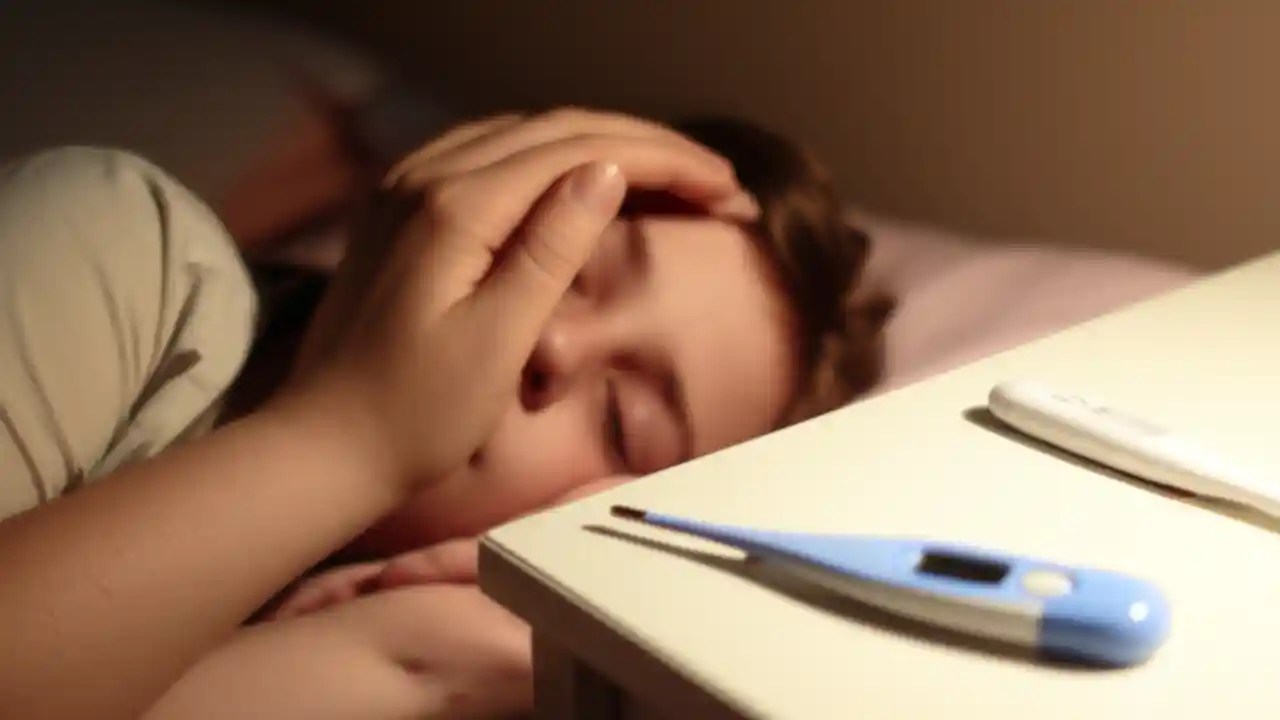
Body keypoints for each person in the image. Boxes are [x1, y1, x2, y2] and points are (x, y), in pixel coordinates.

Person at [0, 109, 890, 718]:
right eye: (566, 257)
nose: (556, 347)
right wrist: (351, 434)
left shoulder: (480, 676)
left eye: (624, 420)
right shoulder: (134, 258)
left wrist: (398, 663)